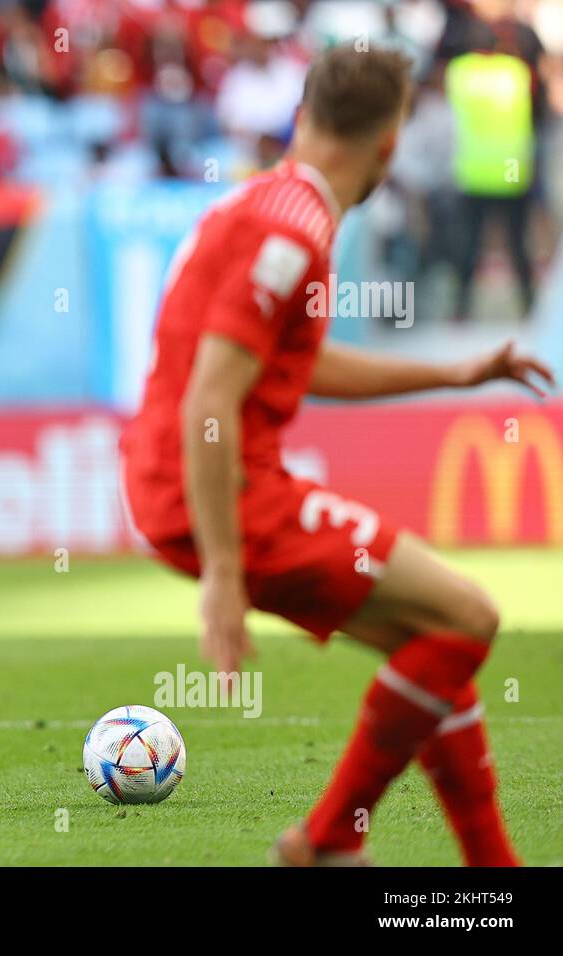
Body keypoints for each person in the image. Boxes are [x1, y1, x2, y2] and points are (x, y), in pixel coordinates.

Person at [122, 44, 554, 865]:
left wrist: (453, 372)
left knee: (436, 644)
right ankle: (325, 842)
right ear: (391, 145)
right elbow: (212, 397)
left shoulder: (269, 203)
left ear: (301, 116)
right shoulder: (296, 227)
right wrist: (224, 571)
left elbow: (290, 362)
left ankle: (491, 874)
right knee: (469, 617)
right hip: (217, 488)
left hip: (192, 478)